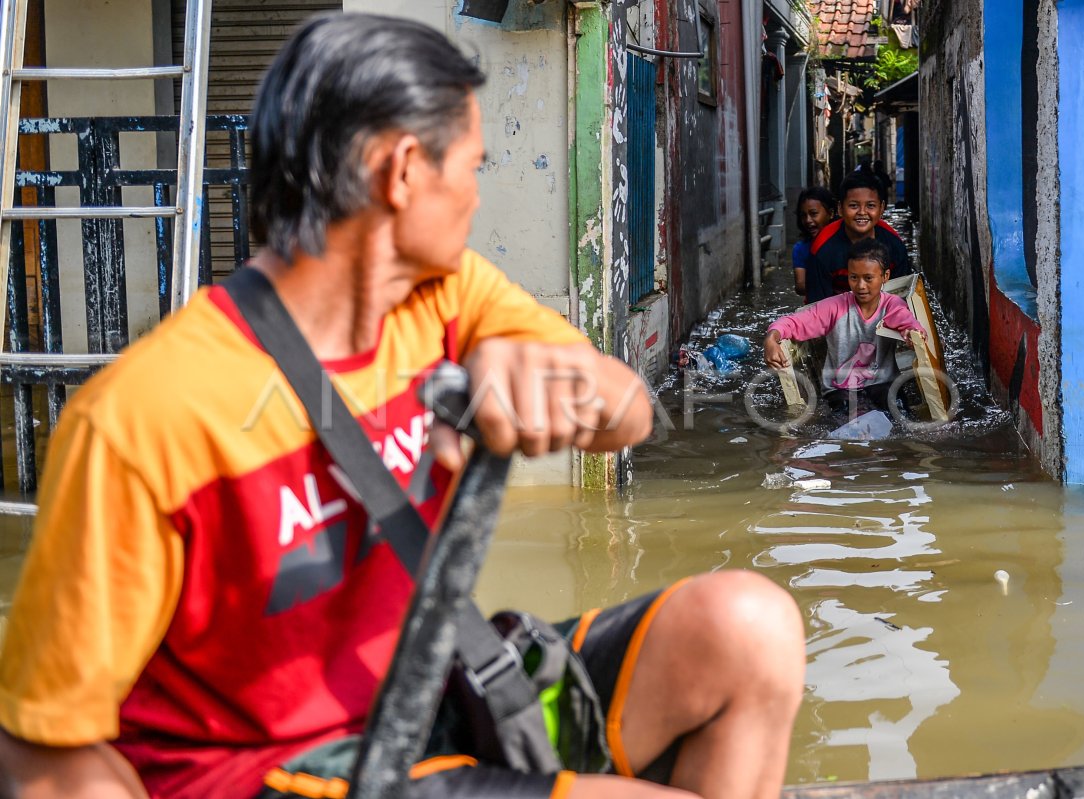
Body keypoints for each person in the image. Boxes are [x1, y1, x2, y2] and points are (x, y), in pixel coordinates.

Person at [0, 14, 806, 799]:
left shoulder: (448, 295)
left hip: (432, 686)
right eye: (474, 168)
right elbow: (45, 751)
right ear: (404, 170)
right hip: (268, 764)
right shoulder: (140, 418)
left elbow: (630, 412)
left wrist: (549, 374)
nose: (477, 197)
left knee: (749, 626)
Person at [764, 238, 925, 419]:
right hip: (841, 388)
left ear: (885, 276)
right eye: (854, 277)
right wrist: (771, 339)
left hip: (884, 383)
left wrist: (913, 334)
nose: (860, 285)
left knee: (902, 418)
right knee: (846, 424)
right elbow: (794, 322)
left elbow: (907, 322)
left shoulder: (892, 305)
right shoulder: (835, 307)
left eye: (868, 278)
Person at [806, 172, 912, 305]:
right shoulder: (823, 249)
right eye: (853, 206)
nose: (862, 212)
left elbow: (902, 296)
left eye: (870, 205)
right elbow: (816, 308)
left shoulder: (894, 244)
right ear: (840, 208)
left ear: (881, 208)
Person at [790, 186, 838, 300]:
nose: (808, 220)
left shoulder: (843, 242)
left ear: (831, 213)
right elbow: (800, 286)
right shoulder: (800, 249)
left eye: (814, 214)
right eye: (803, 215)